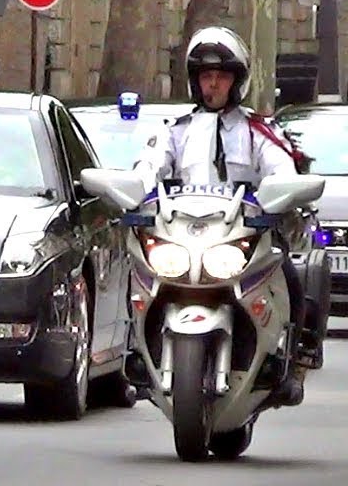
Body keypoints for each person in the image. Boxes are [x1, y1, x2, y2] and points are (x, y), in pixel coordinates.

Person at [135, 26, 320, 405]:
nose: (213, 85)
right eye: (206, 76)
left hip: (243, 236)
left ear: (237, 82)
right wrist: (131, 190)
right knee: (137, 272)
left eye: (221, 76)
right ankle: (134, 352)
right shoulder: (175, 132)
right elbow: (147, 167)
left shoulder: (257, 132)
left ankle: (294, 363)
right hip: (185, 236)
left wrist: (284, 191)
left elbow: (282, 168)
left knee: (292, 277)